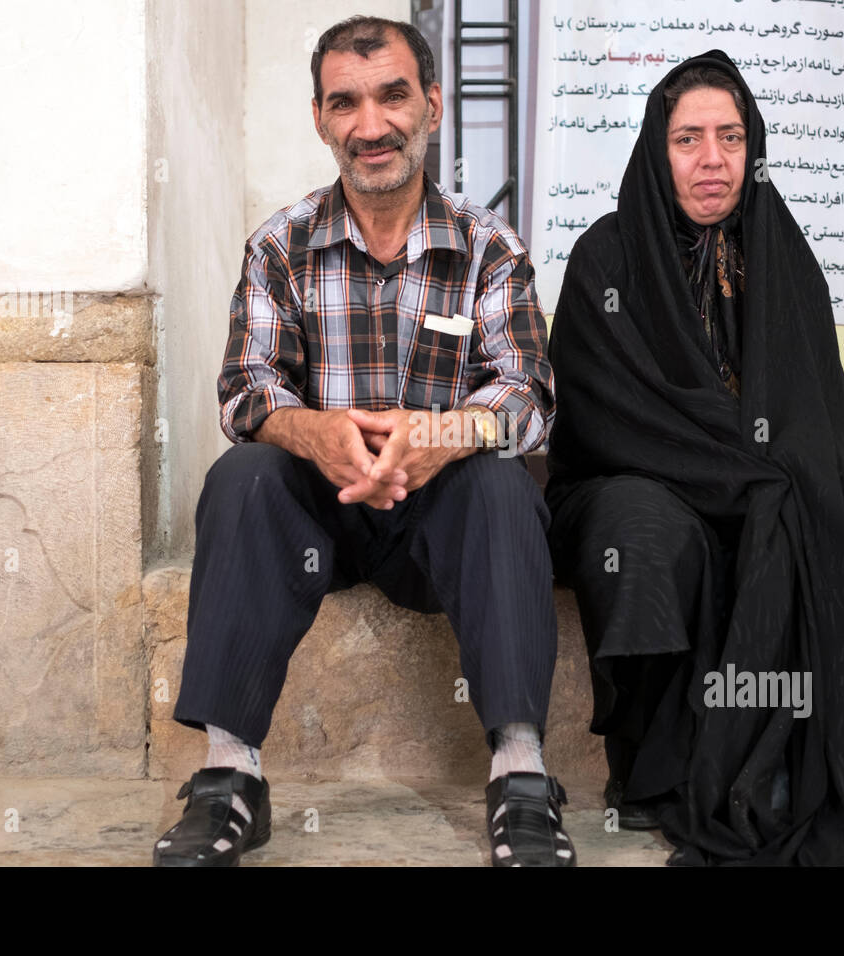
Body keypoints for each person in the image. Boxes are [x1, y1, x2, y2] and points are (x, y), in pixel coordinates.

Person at [544, 49, 844, 865]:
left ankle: (794, 761)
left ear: (754, 146)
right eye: (689, 139)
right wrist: (749, 468)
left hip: (762, 484)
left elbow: (815, 407)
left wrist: (791, 480)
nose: (713, 160)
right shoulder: (609, 258)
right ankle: (651, 772)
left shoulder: (778, 249)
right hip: (638, 479)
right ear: (653, 148)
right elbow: (611, 417)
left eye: (731, 137)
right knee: (641, 535)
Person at [154, 16, 574, 868]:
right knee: (244, 476)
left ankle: (521, 776)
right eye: (345, 102)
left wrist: (441, 435)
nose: (370, 125)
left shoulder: (489, 248)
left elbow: (531, 392)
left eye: (392, 96)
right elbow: (246, 388)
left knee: (501, 481)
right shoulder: (281, 244)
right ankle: (229, 780)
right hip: (327, 520)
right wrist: (315, 433)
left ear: (433, 106)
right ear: (319, 118)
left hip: (442, 523)